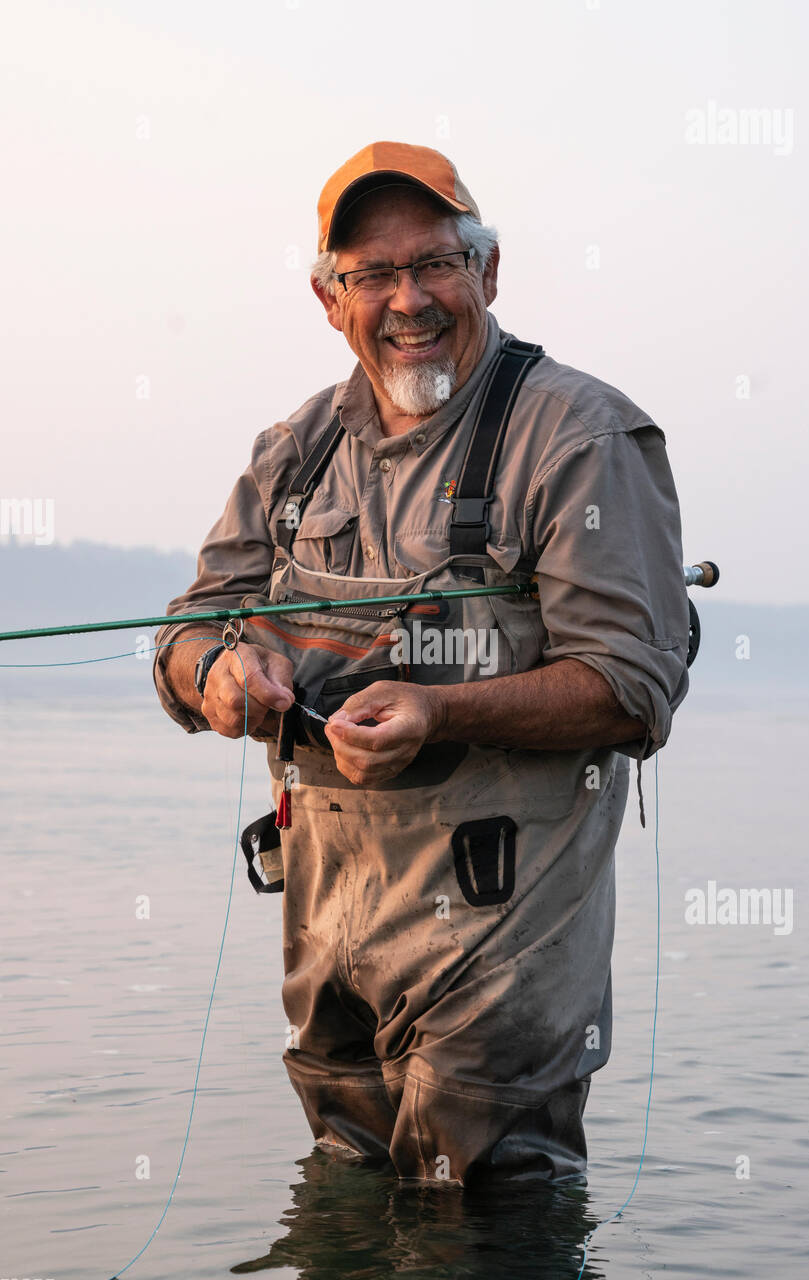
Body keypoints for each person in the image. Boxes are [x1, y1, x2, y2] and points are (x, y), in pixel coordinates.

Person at [153, 140, 689, 1185]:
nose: (408, 298)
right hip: (328, 935)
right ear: (327, 299)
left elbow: (629, 685)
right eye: (371, 274)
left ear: (488, 272)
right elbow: (187, 629)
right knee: (342, 1222)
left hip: (504, 948)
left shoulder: (580, 434)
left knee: (478, 1233)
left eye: (436, 263)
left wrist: (439, 713)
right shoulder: (292, 449)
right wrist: (216, 676)